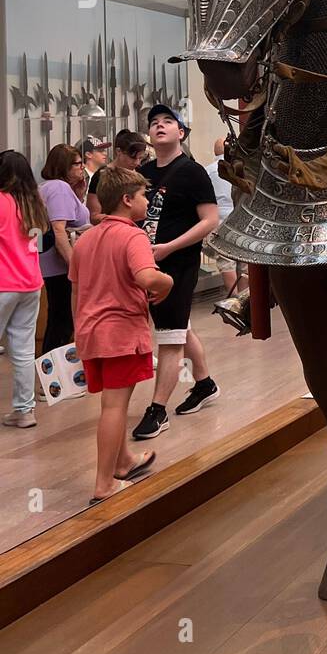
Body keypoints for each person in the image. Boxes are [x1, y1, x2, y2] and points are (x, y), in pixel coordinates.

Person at [69, 166, 173, 503]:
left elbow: (76, 290)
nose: (146, 201)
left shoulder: (86, 239)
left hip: (91, 333)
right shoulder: (133, 236)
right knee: (114, 407)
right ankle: (103, 483)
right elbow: (146, 277)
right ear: (128, 200)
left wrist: (78, 329)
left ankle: (125, 461)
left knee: (111, 401)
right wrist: (167, 282)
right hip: (121, 333)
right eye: (143, 195)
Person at [131, 105, 220, 439]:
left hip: (178, 265)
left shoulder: (192, 172)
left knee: (169, 337)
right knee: (179, 327)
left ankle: (157, 410)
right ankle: (205, 383)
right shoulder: (146, 171)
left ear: (181, 132)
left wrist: (170, 247)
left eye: (167, 121)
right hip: (147, 263)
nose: (159, 126)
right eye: (154, 123)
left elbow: (210, 220)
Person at [0, 150, 47, 428]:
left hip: (4, 283)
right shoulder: (34, 202)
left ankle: (24, 409)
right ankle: (24, 409)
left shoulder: (1, 201)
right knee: (23, 350)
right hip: (31, 283)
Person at [38, 144, 91, 352]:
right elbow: (59, 231)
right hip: (59, 267)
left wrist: (78, 195)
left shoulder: (54, 188)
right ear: (64, 166)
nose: (82, 167)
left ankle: (51, 373)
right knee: (62, 320)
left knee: (59, 318)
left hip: (52, 265)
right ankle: (52, 373)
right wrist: (74, 266)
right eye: (77, 164)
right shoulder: (58, 188)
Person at [205, 138, 246, 296]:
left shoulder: (207, 170)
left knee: (226, 261)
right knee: (243, 260)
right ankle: (245, 297)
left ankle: (233, 298)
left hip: (218, 221)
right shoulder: (239, 168)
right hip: (240, 220)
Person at [87, 130, 149, 224]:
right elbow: (94, 216)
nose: (137, 162)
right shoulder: (101, 175)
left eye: (140, 158)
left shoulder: (141, 172)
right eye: (132, 157)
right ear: (119, 151)